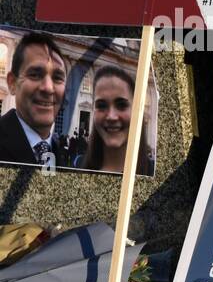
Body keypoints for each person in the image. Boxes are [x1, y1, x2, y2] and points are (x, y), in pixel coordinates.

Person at [0, 31, 70, 167]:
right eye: (35, 74)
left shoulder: (57, 153)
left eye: (57, 78)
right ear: (12, 83)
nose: (48, 88)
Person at [78, 64, 154, 175]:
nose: (111, 116)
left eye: (121, 105)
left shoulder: (156, 175)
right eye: (102, 106)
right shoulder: (79, 166)